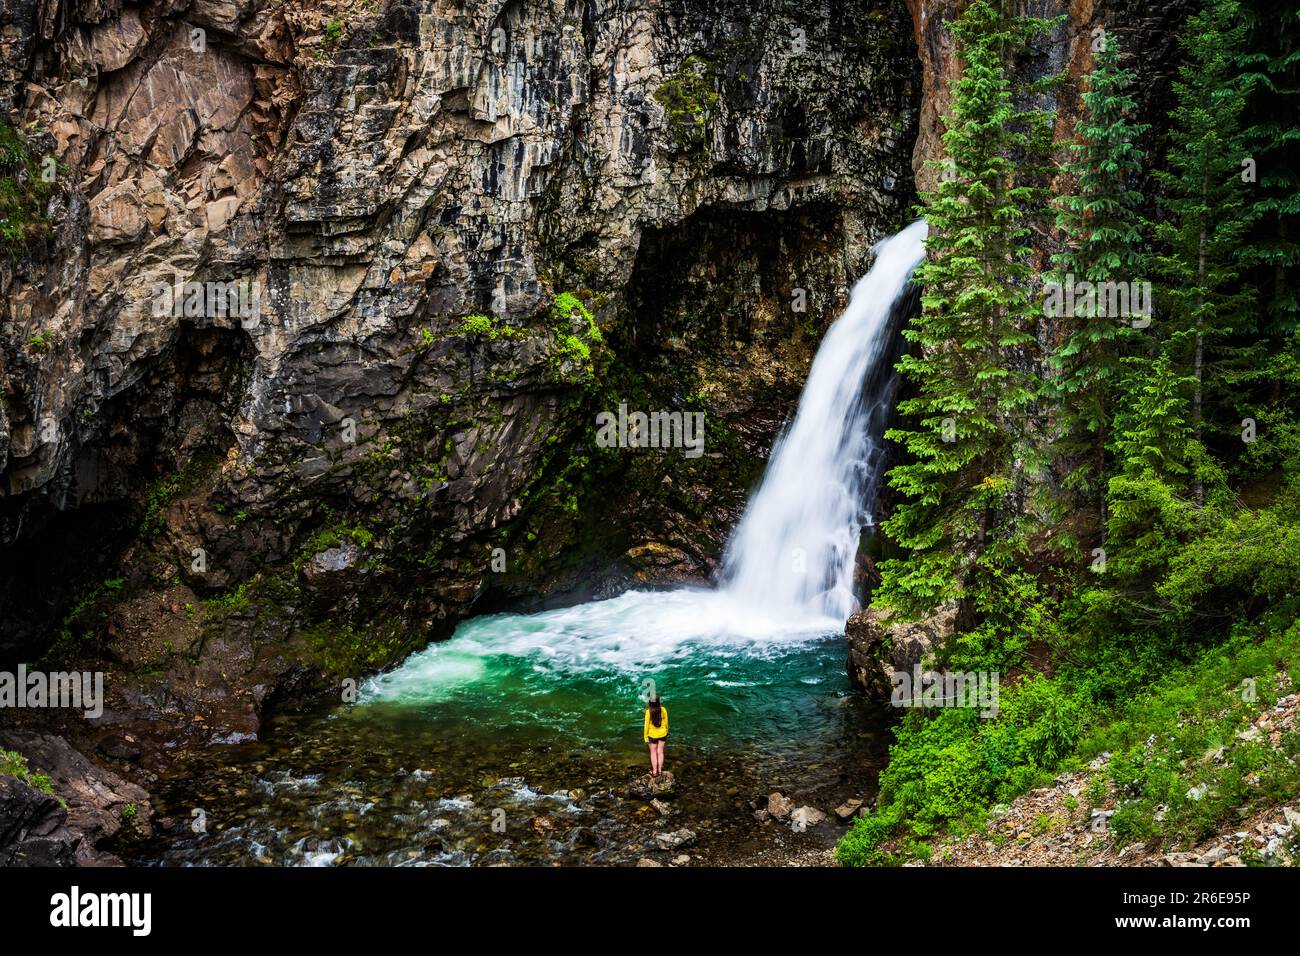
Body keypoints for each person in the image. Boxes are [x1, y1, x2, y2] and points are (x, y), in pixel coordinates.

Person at [643, 695, 668, 776]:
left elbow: (646, 726)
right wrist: (666, 731)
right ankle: (660, 770)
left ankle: (654, 771)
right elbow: (666, 722)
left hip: (652, 735)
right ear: (658, 702)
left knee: (653, 752)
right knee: (660, 751)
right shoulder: (663, 709)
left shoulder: (648, 712)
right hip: (663, 734)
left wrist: (645, 737)